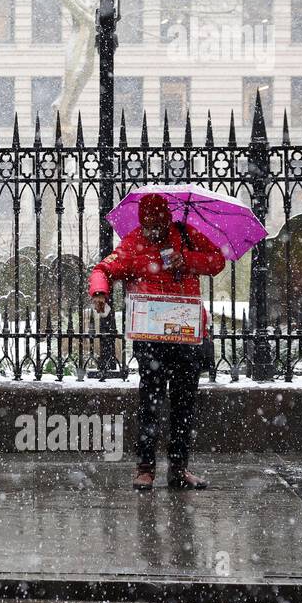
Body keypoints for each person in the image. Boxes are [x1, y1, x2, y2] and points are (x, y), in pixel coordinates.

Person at [90, 193, 225, 491]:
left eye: (158, 223)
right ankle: (145, 469)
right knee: (150, 401)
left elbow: (217, 261)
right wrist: (100, 293)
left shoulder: (186, 235)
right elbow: (103, 269)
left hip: (186, 334)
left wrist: (187, 259)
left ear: (167, 218)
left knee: (184, 403)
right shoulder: (133, 244)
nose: (153, 230)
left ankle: (179, 468)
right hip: (150, 337)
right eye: (147, 224)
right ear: (141, 222)